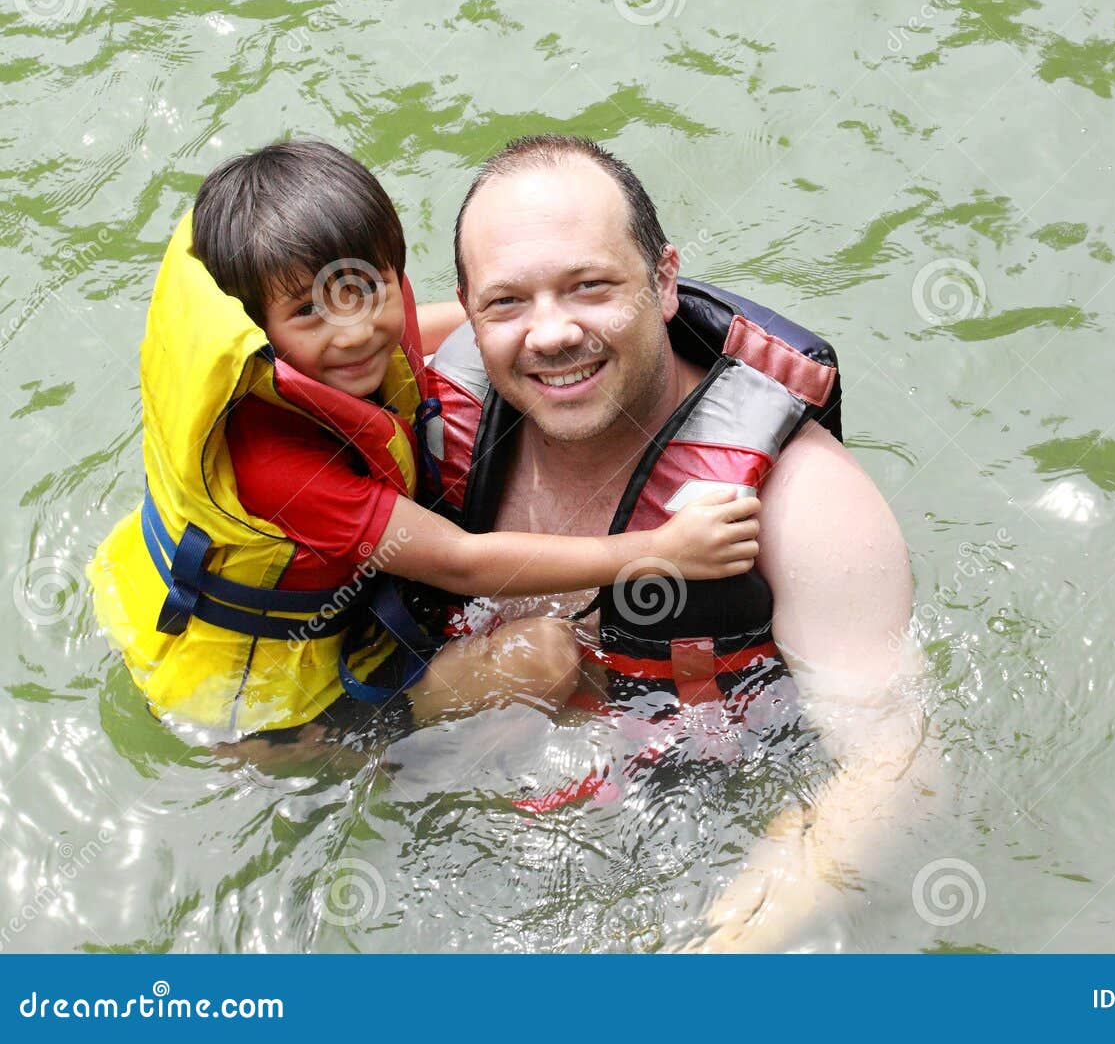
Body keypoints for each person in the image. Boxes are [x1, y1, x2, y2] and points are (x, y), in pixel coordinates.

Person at [88, 139, 761, 740]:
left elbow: (461, 322)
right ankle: (347, 752)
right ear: (257, 329)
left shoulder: (349, 334)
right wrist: (659, 550)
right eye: (307, 311)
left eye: (367, 288)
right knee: (546, 657)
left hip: (327, 605)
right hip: (267, 703)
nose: (356, 331)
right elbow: (462, 563)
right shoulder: (281, 465)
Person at [430, 135, 926, 949]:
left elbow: (895, 763)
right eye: (508, 301)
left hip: (700, 813)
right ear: (469, 309)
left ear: (664, 280)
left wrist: (713, 951)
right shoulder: (428, 421)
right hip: (475, 793)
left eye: (589, 286)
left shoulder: (805, 502)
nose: (550, 333)